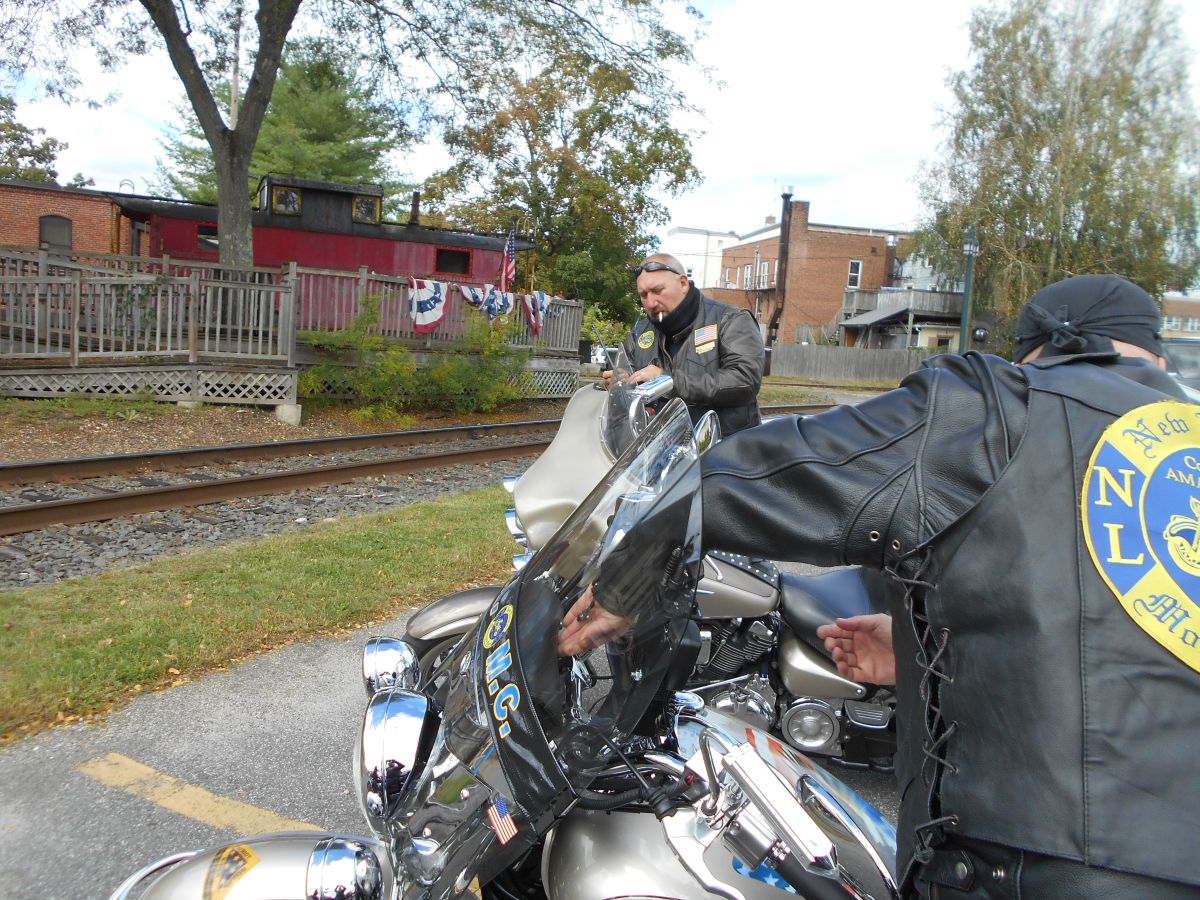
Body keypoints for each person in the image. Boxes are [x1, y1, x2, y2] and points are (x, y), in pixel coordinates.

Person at [563, 274, 1200, 897]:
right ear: (1154, 353)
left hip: (1031, 860)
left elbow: (755, 479)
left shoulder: (999, 406)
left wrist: (624, 584)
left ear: (1040, 350)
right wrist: (925, 647)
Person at [604, 253, 764, 436]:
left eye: (657, 290)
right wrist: (620, 384)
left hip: (725, 447)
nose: (651, 303)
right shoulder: (639, 332)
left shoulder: (731, 319)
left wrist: (668, 382)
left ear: (683, 283)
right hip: (659, 449)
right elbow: (626, 396)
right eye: (643, 295)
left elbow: (745, 381)